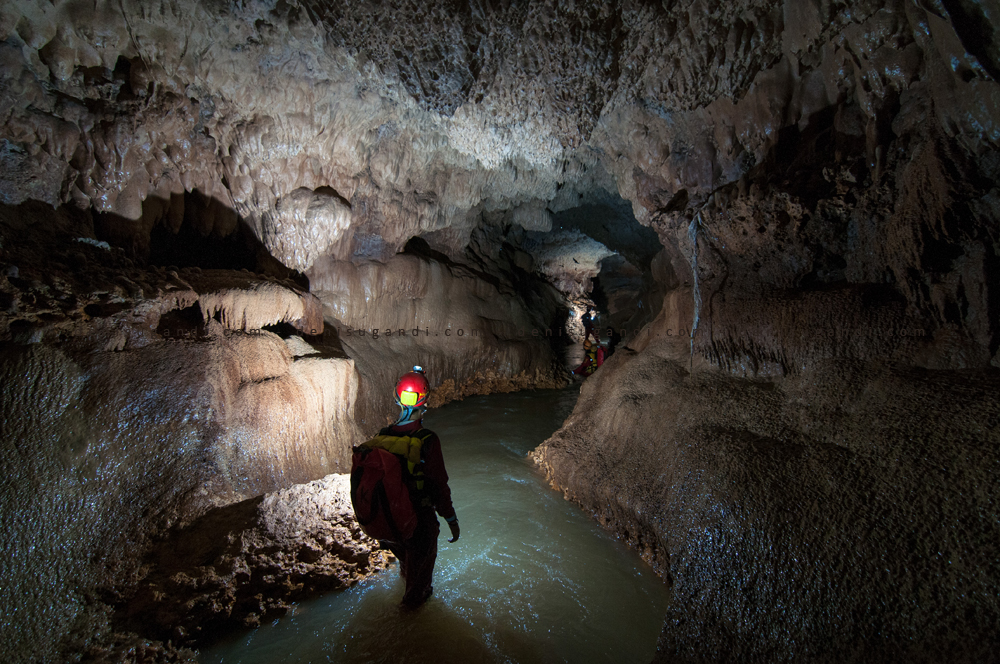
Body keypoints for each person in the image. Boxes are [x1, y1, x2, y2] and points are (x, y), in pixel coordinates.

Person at [380, 366, 460, 608]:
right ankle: (409, 630)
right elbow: (439, 486)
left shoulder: (382, 435)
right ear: (424, 400)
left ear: (397, 396)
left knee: (407, 566)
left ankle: (406, 583)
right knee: (418, 591)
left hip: (390, 524)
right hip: (419, 525)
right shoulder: (427, 440)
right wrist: (451, 520)